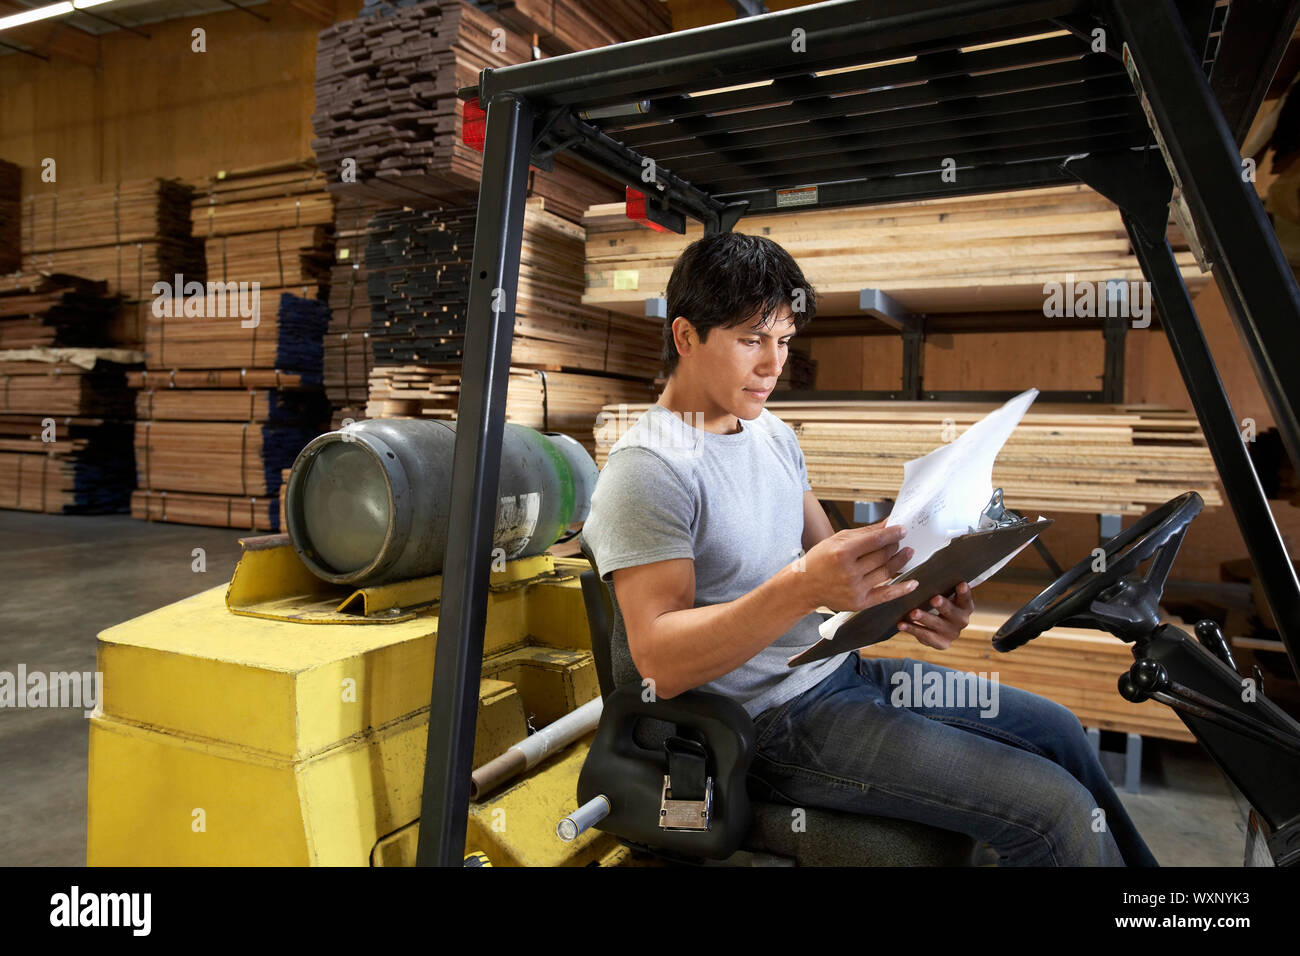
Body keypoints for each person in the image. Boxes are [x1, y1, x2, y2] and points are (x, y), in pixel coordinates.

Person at [580, 231, 1158, 867]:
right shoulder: (650, 468)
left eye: (785, 341)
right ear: (686, 337)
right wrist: (803, 586)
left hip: (838, 676)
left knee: (1059, 734)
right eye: (751, 340)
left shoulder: (772, 435)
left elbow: (834, 568)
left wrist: (922, 596)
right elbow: (661, 660)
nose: (774, 365)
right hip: (761, 722)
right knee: (1056, 814)